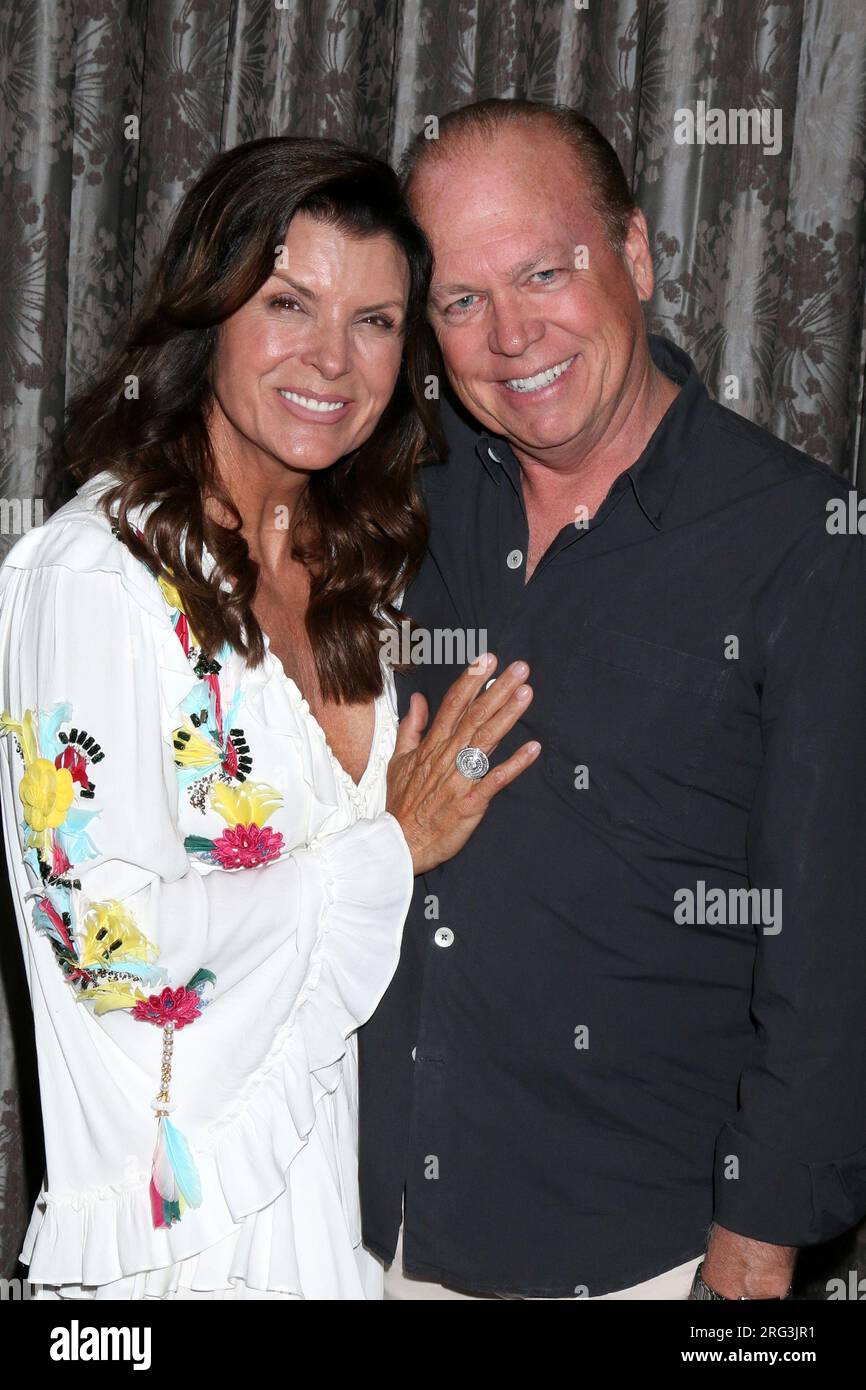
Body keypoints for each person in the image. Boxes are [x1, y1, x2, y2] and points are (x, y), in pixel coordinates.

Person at [0, 135, 540, 1300]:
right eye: (288, 302)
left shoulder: (360, 573)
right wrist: (386, 848)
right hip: (173, 1240)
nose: (329, 361)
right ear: (209, 313)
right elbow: (106, 940)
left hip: (326, 1214)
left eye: (375, 322)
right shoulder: (93, 575)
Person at [357, 98, 866, 1300]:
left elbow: (833, 961)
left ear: (634, 253)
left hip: (644, 1259)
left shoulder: (802, 542)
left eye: (544, 271)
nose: (508, 336)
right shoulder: (404, 500)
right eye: (459, 301)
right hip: (368, 1226)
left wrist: (745, 1278)